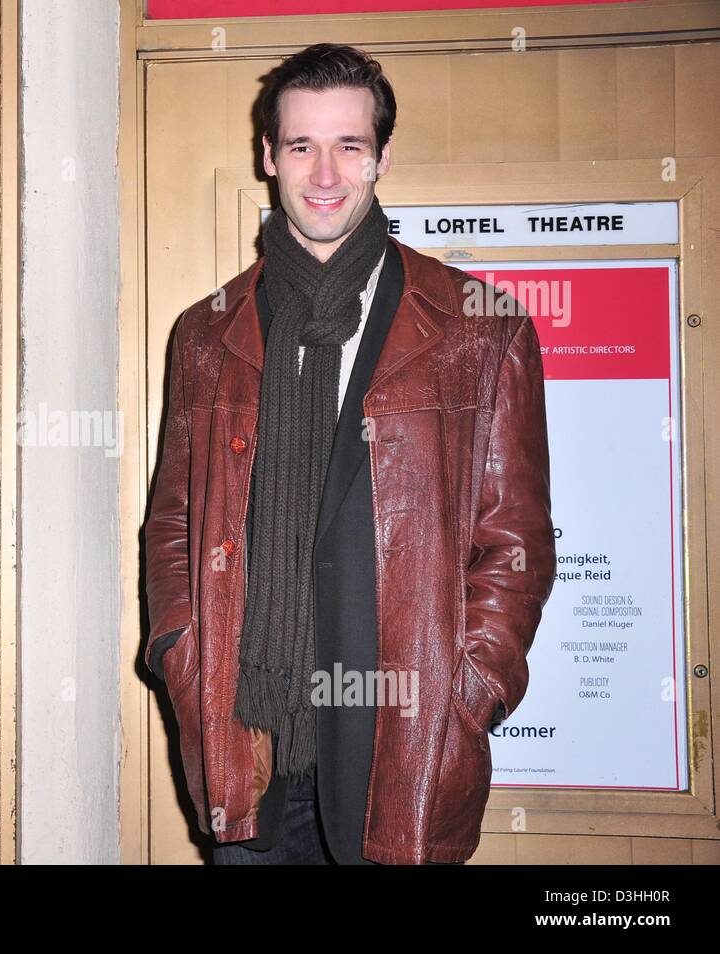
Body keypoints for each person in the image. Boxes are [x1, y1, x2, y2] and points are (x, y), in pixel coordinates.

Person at [142, 43, 556, 865]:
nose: (324, 173)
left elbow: (515, 548)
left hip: (402, 759)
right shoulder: (205, 333)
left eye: (349, 145)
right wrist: (184, 665)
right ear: (268, 156)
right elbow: (173, 527)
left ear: (383, 157)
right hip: (249, 753)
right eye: (301, 145)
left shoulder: (480, 329)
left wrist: (460, 701)